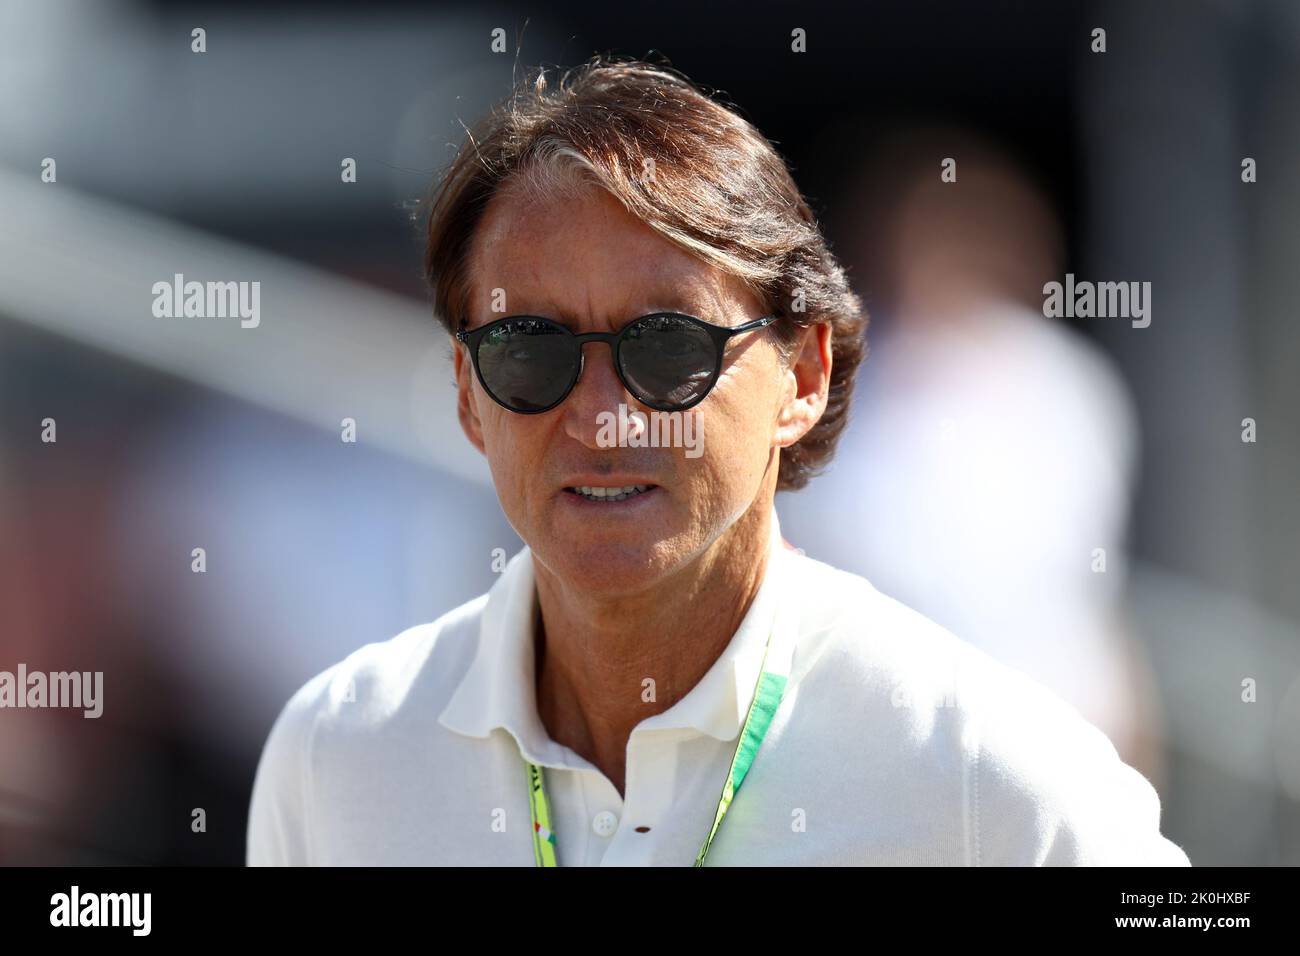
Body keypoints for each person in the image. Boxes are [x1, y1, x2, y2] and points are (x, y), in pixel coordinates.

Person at [246, 56, 1190, 866]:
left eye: (668, 349)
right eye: (530, 350)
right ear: (466, 393)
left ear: (804, 375)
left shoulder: (994, 774)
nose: (602, 416)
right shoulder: (337, 754)